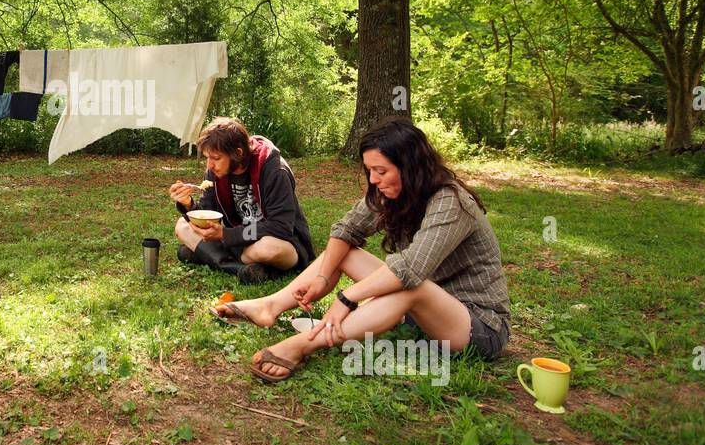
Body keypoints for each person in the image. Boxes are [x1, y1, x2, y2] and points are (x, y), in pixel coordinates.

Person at [211, 117, 511, 382]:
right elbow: (346, 230)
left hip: (477, 326)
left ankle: (304, 344)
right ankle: (270, 306)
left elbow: (410, 270)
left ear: (411, 167)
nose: (373, 179)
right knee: (346, 252)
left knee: (412, 285)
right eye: (369, 170)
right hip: (422, 313)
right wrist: (322, 278)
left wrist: (347, 297)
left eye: (381, 171)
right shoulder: (392, 192)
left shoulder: (451, 201)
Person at [168, 117, 315, 285]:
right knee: (182, 225)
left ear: (238, 153)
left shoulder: (275, 170)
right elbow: (208, 211)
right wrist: (188, 204)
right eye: (208, 157)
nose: (210, 165)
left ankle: (208, 254)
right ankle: (242, 269)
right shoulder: (215, 172)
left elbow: (280, 227)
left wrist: (226, 234)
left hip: (274, 241)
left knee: (268, 248)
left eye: (215, 158)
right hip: (235, 239)